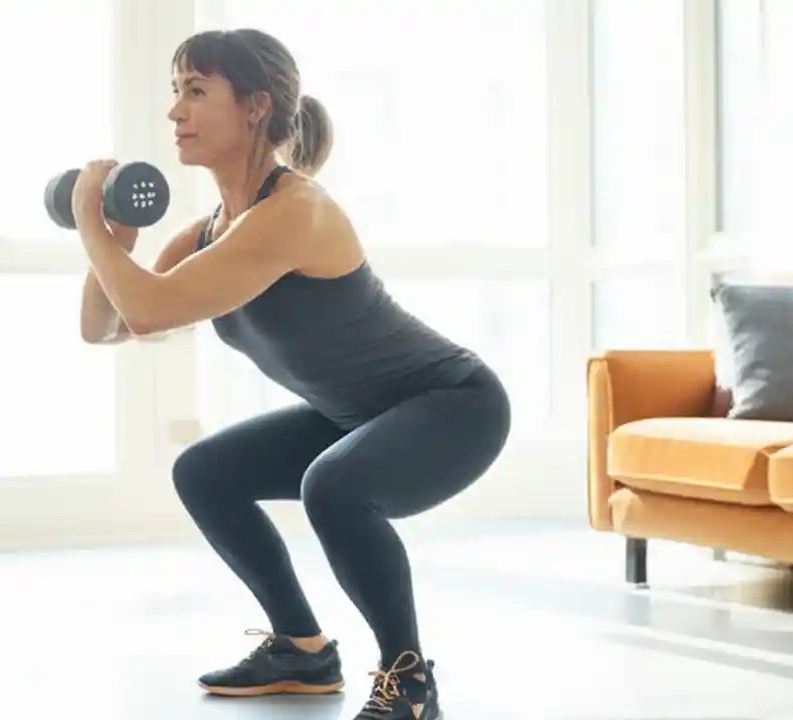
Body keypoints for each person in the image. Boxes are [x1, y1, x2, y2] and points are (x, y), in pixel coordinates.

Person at [73, 27, 510, 720]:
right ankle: (301, 650)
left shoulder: (295, 212)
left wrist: (93, 231)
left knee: (333, 486)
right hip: (356, 413)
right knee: (205, 472)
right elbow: (107, 327)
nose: (174, 112)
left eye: (195, 91)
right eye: (174, 91)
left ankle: (412, 683)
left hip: (454, 404)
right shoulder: (208, 232)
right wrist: (113, 241)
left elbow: (150, 312)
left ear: (255, 107)